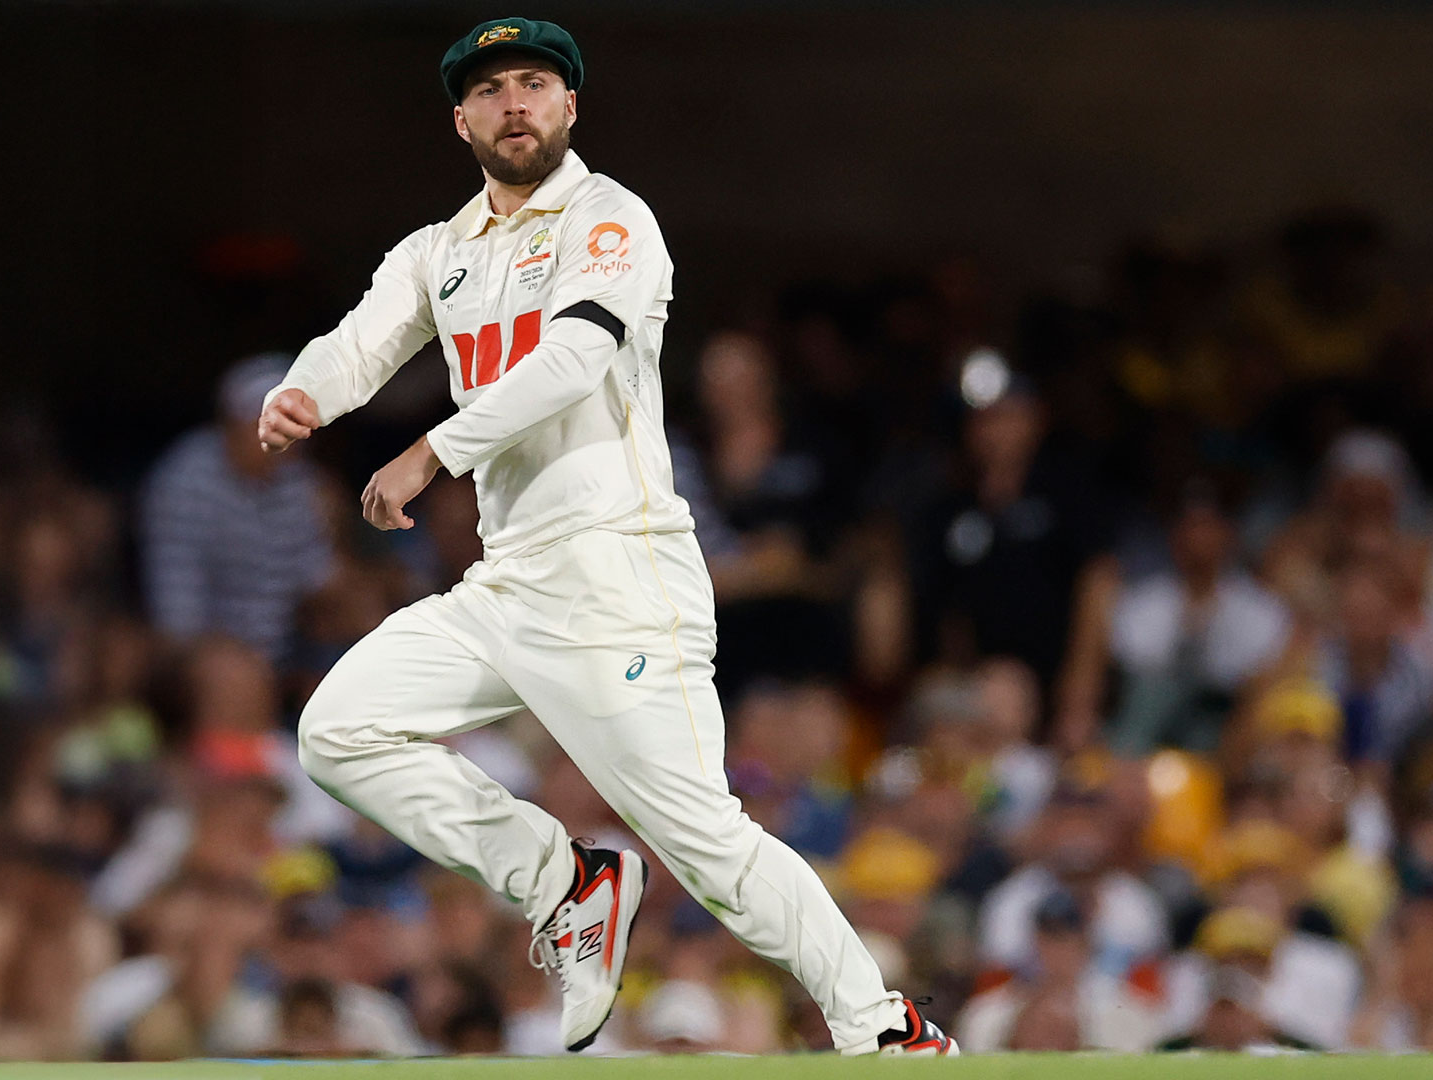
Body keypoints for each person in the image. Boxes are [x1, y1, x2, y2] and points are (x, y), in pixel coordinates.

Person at [253, 17, 953, 1056]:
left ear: (570, 105)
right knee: (339, 730)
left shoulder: (611, 217)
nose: (516, 103)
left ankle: (885, 1026)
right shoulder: (437, 252)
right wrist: (303, 391)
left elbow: (575, 356)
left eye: (535, 83)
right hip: (510, 584)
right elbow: (361, 340)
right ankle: (565, 881)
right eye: (491, 91)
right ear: (462, 120)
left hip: (621, 575)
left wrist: (429, 454)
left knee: (707, 845)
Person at [141, 353, 336, 662]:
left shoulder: (299, 480)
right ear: (232, 425)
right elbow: (178, 617)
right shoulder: (185, 480)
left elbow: (315, 579)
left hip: (287, 651)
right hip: (210, 655)